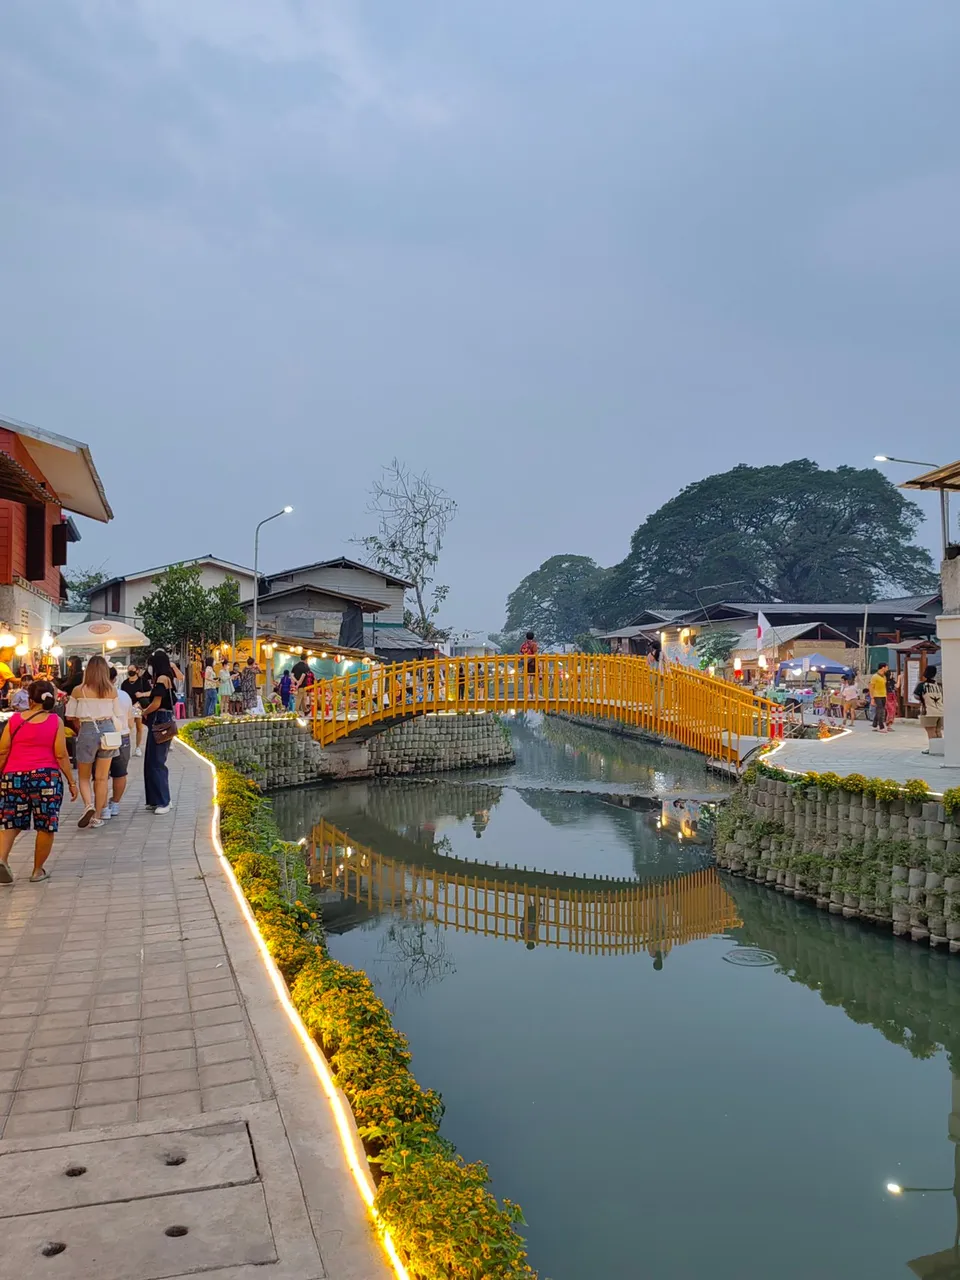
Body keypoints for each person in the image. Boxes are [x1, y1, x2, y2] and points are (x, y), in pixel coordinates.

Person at [0, 680, 77, 884]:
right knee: (45, 825)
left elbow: (3, 750)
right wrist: (71, 781)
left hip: (14, 776)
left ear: (30, 698)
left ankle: (1, 858)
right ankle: (37, 871)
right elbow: (61, 755)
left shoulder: (15, 720)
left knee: (11, 821)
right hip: (45, 778)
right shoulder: (54, 721)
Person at [65, 654, 120, 828]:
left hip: (88, 730)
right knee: (102, 778)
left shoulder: (78, 690)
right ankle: (97, 815)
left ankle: (88, 805)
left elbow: (69, 715)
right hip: (108, 732)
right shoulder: (111, 690)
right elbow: (116, 712)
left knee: (83, 776)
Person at [142, 649, 176, 814]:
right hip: (160, 720)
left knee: (156, 762)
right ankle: (155, 799)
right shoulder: (164, 678)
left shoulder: (162, 679)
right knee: (150, 761)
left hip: (160, 720)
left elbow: (156, 703)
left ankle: (164, 800)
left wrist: (143, 712)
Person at [107, 666, 133, 818]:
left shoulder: (96, 696)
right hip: (122, 736)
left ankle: (102, 807)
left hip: (103, 737)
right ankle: (115, 804)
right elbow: (130, 721)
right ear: (115, 679)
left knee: (101, 775)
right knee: (120, 773)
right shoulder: (124, 696)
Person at [121, 663, 150, 756]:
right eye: (129, 669)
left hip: (138, 706)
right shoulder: (125, 683)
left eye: (132, 669)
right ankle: (127, 746)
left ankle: (137, 747)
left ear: (137, 670)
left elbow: (150, 692)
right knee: (128, 727)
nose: (130, 671)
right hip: (128, 707)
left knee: (139, 727)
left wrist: (142, 695)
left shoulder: (143, 681)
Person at [915, 664, 944, 750]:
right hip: (940, 711)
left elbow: (916, 696)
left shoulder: (922, 685)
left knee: (931, 730)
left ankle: (934, 748)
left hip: (929, 711)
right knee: (938, 731)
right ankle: (940, 748)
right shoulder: (938, 686)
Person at [869, 663, 890, 732]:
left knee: (879, 710)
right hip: (876, 695)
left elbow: (884, 687)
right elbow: (871, 687)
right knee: (880, 710)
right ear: (882, 668)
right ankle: (881, 726)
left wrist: (886, 695)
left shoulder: (884, 676)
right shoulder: (875, 676)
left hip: (883, 695)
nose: (887, 669)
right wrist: (872, 697)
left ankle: (874, 724)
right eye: (886, 667)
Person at [519, 631, 538, 697]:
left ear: (526, 637)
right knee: (535, 677)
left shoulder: (523, 645)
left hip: (525, 663)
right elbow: (535, 654)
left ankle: (528, 693)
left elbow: (521, 653)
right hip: (532, 663)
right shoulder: (534, 644)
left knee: (527, 679)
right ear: (533, 637)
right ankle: (535, 694)